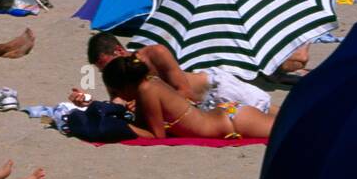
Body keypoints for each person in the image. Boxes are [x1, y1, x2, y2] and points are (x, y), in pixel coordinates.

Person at [85, 34, 273, 114]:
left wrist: (144, 103)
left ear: (119, 51)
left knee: (270, 112)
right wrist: (89, 103)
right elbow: (118, 103)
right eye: (101, 70)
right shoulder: (112, 75)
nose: (105, 72)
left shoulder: (154, 54)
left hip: (215, 89)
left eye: (105, 65)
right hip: (200, 112)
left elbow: (185, 92)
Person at [102, 55, 273, 140]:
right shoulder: (150, 83)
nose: (120, 97)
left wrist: (121, 127)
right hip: (228, 114)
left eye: (117, 91)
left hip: (233, 122)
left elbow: (156, 135)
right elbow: (142, 124)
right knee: (289, 127)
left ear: (125, 85)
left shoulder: (147, 90)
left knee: (293, 133)